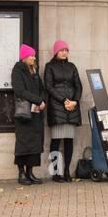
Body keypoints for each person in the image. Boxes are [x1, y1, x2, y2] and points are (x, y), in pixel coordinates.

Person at [44, 40, 83, 182]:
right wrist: (64, 101)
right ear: (56, 52)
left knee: (69, 141)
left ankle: (66, 171)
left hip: (71, 107)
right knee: (55, 140)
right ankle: (56, 172)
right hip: (57, 107)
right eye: (61, 50)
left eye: (66, 50)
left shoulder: (72, 66)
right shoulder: (49, 67)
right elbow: (49, 87)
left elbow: (78, 85)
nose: (64, 52)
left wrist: (75, 101)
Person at [11, 45, 46, 185]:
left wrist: (42, 100)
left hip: (36, 112)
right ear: (24, 57)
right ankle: (21, 173)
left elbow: (42, 89)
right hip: (24, 113)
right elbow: (20, 91)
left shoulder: (35, 72)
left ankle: (30, 172)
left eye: (34, 55)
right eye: (31, 55)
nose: (34, 57)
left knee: (34, 143)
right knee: (23, 143)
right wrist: (38, 100)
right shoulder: (18, 70)